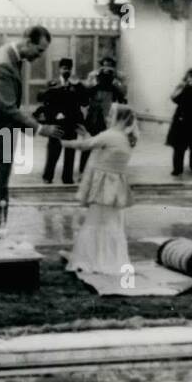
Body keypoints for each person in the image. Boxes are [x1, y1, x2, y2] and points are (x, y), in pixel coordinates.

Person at [0, 25, 61, 214]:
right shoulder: (4, 64)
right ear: (28, 42)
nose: (40, 56)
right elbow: (8, 108)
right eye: (39, 50)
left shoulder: (8, 56)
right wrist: (41, 129)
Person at [58, 102, 138, 275]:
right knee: (111, 223)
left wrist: (63, 143)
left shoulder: (110, 135)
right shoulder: (124, 136)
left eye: (111, 115)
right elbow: (98, 144)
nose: (109, 118)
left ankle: (93, 260)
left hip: (104, 184)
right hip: (115, 185)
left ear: (119, 118)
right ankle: (109, 259)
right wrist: (86, 136)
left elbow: (86, 146)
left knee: (95, 221)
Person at [34, 58, 85, 184]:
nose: (66, 71)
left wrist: (78, 85)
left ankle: (67, 178)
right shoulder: (53, 83)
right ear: (59, 69)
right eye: (64, 68)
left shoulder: (75, 85)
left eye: (68, 68)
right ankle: (48, 176)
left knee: (70, 151)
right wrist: (54, 115)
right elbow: (46, 102)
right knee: (53, 150)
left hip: (71, 122)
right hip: (56, 122)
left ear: (71, 69)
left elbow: (83, 101)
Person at [79, 55, 127, 177]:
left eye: (109, 66)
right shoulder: (94, 80)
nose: (107, 69)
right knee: (90, 143)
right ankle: (83, 168)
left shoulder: (116, 83)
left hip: (108, 119)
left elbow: (123, 95)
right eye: (104, 65)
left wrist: (117, 79)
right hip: (94, 117)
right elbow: (85, 94)